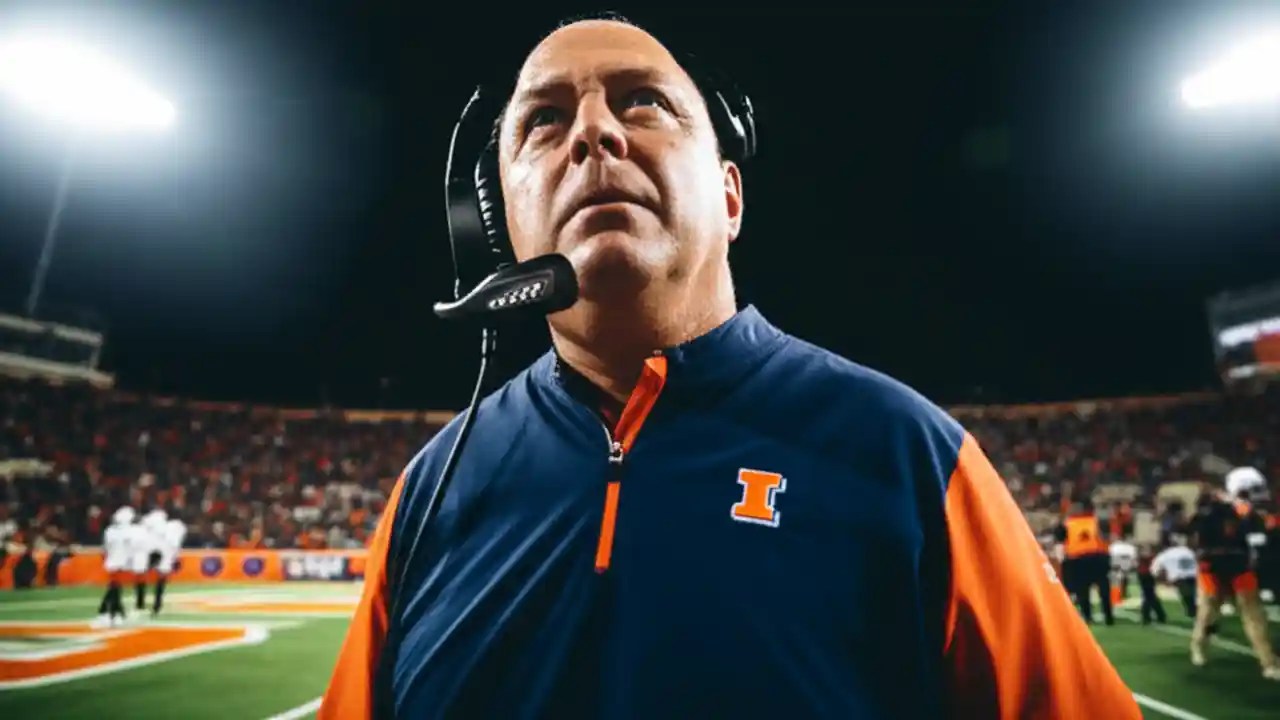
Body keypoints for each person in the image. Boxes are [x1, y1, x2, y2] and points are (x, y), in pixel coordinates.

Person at [321, 13, 1140, 719]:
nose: (594, 133)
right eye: (543, 120)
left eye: (643, 101)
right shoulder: (433, 487)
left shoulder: (910, 453)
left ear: (731, 196)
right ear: (501, 224)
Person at [1187, 491, 1280, 678]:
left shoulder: (1242, 515)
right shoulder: (1213, 517)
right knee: (1210, 611)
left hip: (1235, 564)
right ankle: (1198, 645)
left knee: (1253, 614)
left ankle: (1268, 662)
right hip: (1214, 566)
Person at [1057, 499, 1114, 625]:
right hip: (1098, 557)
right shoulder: (1095, 520)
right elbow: (1106, 535)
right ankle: (1108, 616)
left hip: (1078, 559)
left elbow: (1060, 538)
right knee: (1103, 589)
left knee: (1083, 590)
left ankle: (1088, 616)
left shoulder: (1067, 523)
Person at [1151, 539, 1199, 618]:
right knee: (1191, 594)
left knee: (1186, 595)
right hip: (1193, 575)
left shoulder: (1165, 554)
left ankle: (1192, 610)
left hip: (1179, 577)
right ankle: (1193, 609)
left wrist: (1161, 579)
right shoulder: (1188, 551)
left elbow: (1155, 569)